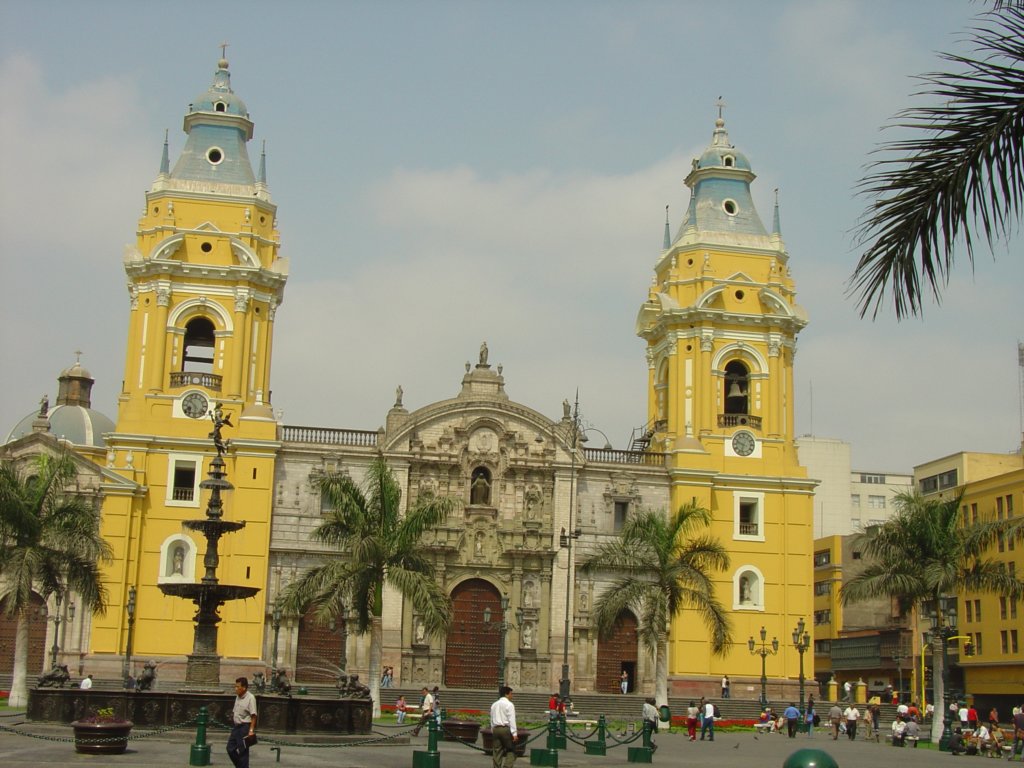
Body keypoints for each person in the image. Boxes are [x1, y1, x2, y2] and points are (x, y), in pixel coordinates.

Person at [227, 676, 257, 768]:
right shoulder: (238, 697)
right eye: (235, 686)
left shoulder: (250, 698)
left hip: (244, 727)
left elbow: (254, 715)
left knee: (243, 751)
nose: (235, 689)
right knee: (230, 749)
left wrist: (251, 730)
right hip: (236, 727)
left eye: (237, 687)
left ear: (244, 688)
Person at [490, 685, 517, 768]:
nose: (512, 696)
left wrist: (492, 729)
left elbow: (491, 718)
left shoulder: (494, 704)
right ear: (506, 694)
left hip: (496, 729)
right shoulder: (509, 704)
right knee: (511, 749)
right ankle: (507, 766)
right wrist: (514, 733)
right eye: (511, 694)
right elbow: (512, 719)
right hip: (505, 729)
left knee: (497, 751)